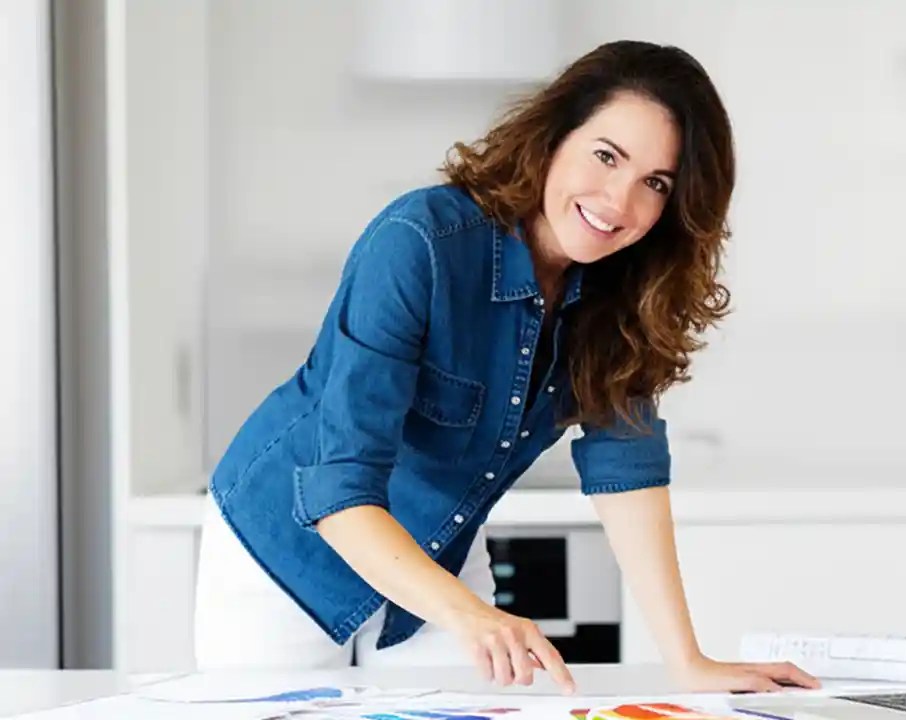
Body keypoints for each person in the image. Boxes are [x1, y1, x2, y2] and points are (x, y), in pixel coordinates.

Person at [193, 40, 819, 695]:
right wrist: (476, 619)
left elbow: (626, 469)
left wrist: (686, 659)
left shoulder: (624, 297)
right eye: (606, 156)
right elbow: (338, 491)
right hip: (288, 551)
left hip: (435, 550)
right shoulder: (420, 243)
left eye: (655, 184)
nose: (618, 200)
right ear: (553, 137)